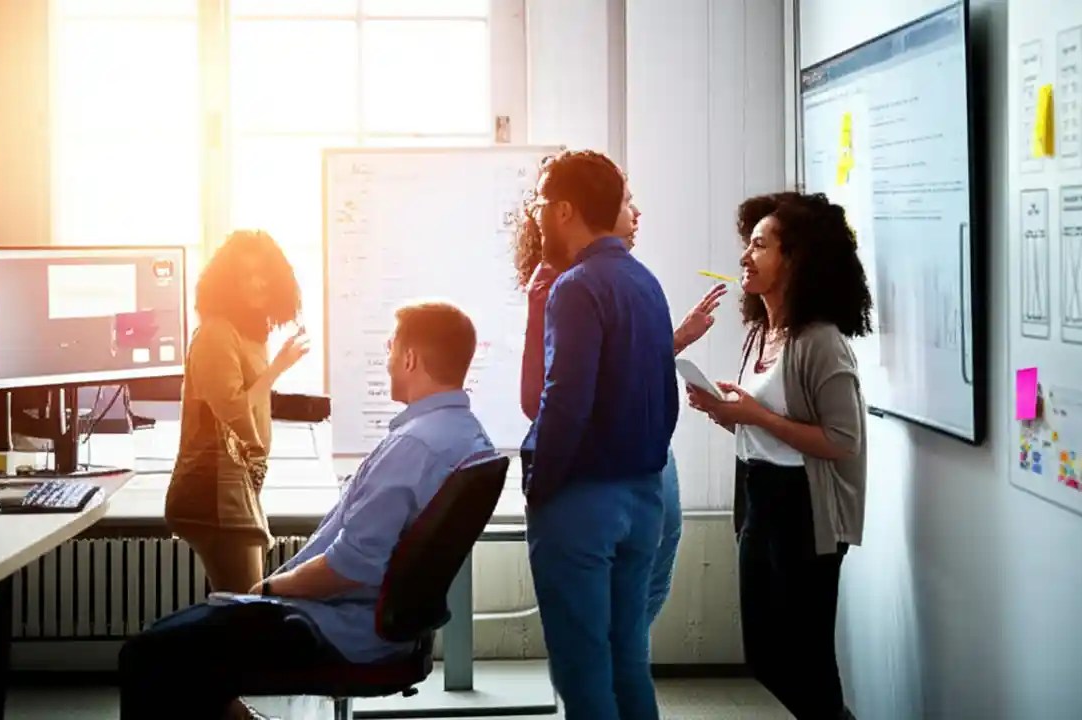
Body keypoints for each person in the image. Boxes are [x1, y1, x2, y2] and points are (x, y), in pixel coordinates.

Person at [120, 301, 494, 720]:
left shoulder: (413, 446)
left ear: (409, 359)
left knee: (148, 654)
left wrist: (267, 590)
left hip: (338, 627)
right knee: (189, 653)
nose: (387, 359)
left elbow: (350, 567)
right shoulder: (468, 437)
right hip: (386, 629)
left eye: (390, 348)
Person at [685, 192, 870, 720]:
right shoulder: (762, 332)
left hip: (805, 510)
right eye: (749, 244)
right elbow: (763, 429)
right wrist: (726, 413)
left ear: (795, 260)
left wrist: (756, 416)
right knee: (765, 657)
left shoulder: (821, 342)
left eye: (760, 245)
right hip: (759, 500)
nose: (745, 256)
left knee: (806, 663)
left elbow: (842, 441)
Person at [512, 171, 726, 624]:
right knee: (611, 617)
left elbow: (619, 371)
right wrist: (540, 487)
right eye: (626, 201)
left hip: (639, 462)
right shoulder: (563, 287)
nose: (636, 213)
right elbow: (545, 399)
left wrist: (676, 340)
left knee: (635, 599)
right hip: (604, 470)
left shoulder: (625, 280)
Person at [522, 149, 678, 720]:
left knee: (582, 669)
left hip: (582, 502)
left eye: (540, 204)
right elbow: (664, 399)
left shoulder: (576, 287)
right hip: (644, 499)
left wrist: (539, 483)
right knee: (627, 659)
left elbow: (564, 401)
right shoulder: (646, 281)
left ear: (564, 210)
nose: (536, 216)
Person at [164, 230, 309, 595]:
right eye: (246, 275)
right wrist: (278, 367)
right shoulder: (216, 333)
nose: (257, 283)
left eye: (264, 274)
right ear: (228, 283)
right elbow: (232, 409)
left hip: (236, 485)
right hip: (215, 488)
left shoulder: (251, 335)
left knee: (240, 605)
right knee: (245, 606)